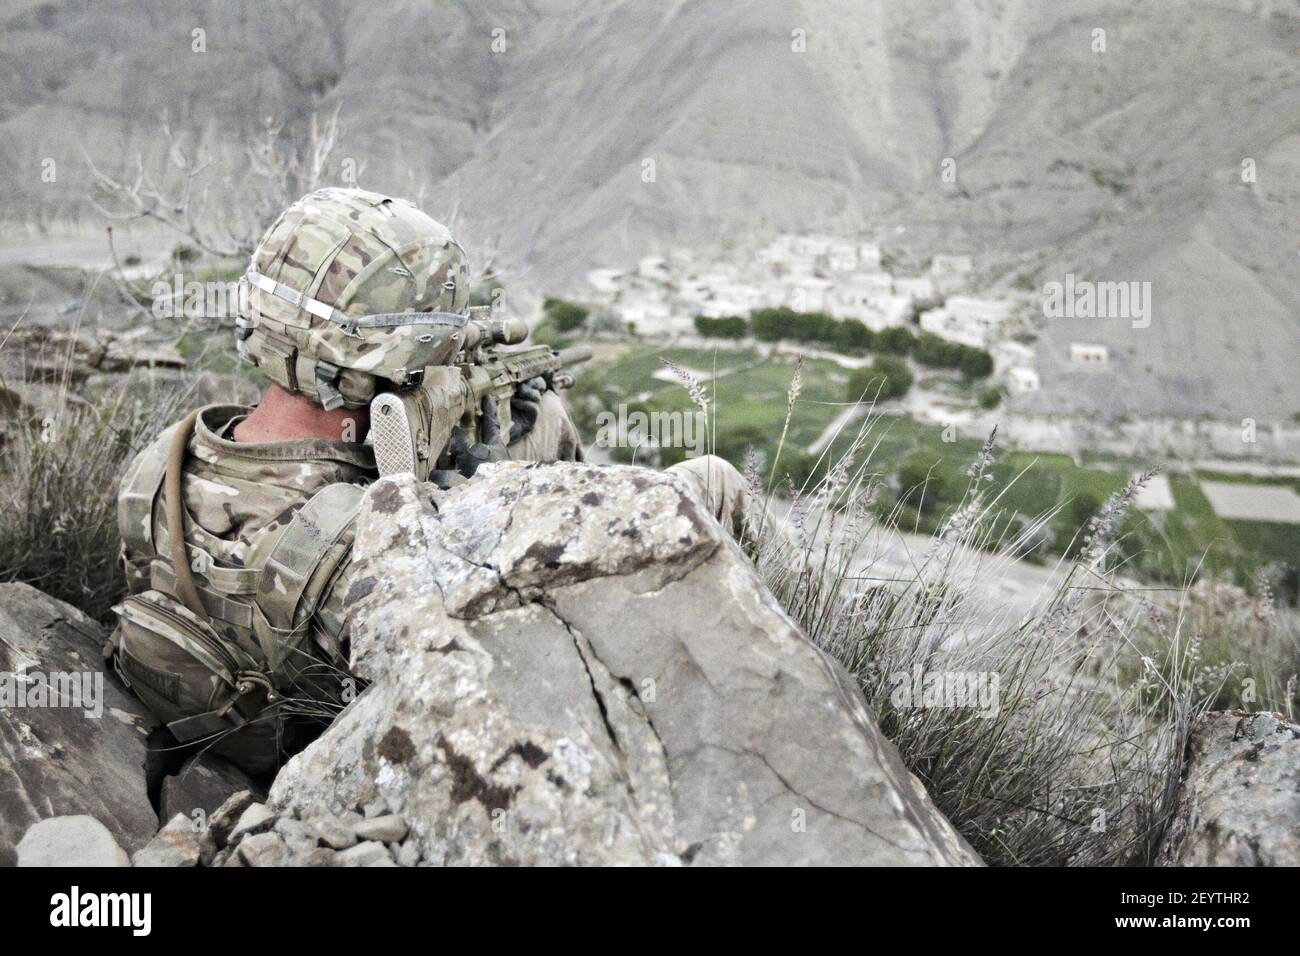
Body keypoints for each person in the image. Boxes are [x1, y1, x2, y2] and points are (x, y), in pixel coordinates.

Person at [107, 187, 748, 775]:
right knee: (714, 481)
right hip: (341, 754)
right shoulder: (358, 545)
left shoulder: (159, 467)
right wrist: (498, 486)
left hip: (239, 705)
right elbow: (498, 659)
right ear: (389, 367)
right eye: (437, 352)